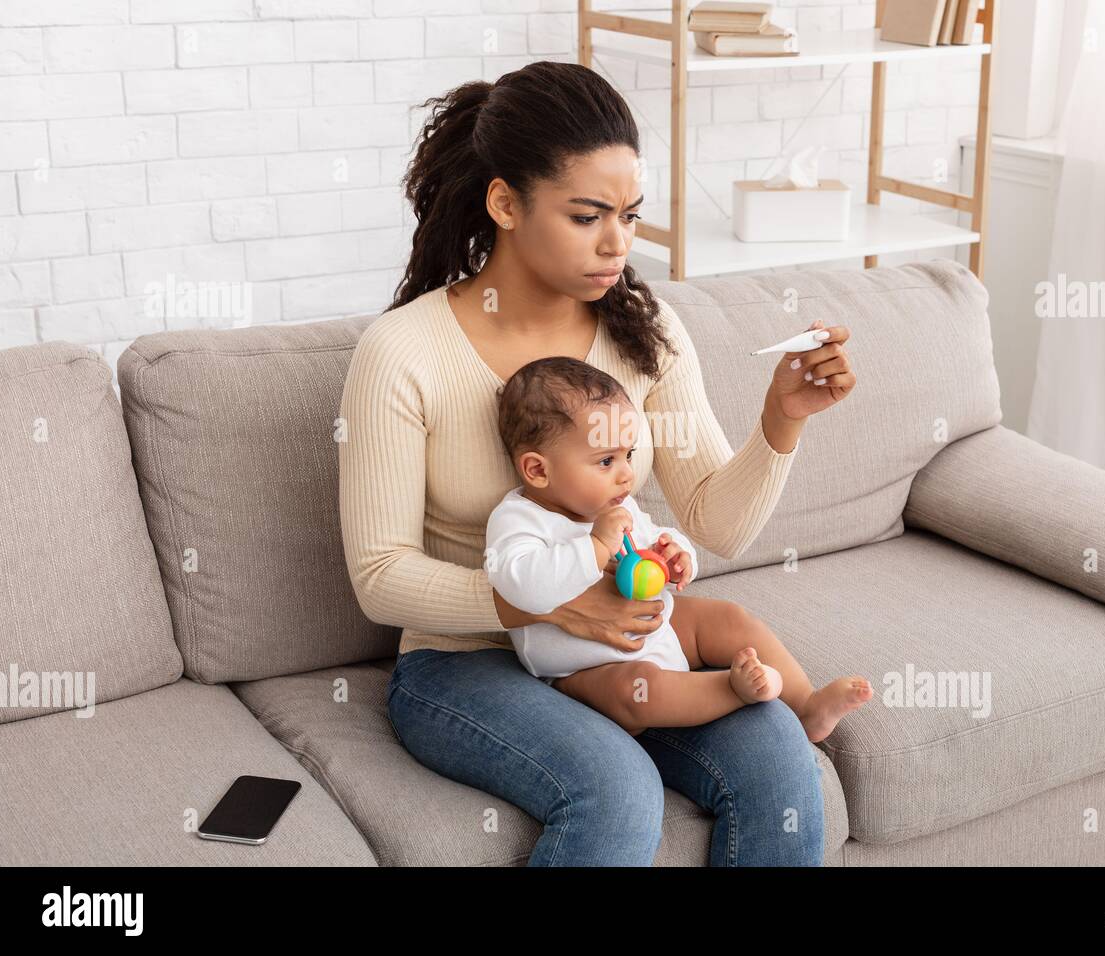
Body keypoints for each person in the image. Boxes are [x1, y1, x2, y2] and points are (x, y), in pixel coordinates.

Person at [337, 60, 857, 866]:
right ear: (506, 203)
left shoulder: (644, 334)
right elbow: (379, 575)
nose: (619, 243)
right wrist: (550, 606)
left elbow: (720, 521)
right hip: (461, 663)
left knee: (779, 751)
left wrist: (780, 421)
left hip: (624, 645)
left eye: (629, 214)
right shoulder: (402, 352)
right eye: (587, 216)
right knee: (616, 788)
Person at [484, 356, 873, 738]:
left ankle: (806, 705)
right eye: (605, 461)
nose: (626, 474)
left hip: (658, 627)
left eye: (628, 455)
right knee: (635, 689)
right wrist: (597, 545)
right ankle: (731, 690)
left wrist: (676, 555)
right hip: (586, 668)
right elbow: (522, 588)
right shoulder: (518, 519)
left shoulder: (618, 506)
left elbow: (654, 539)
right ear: (537, 470)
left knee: (727, 618)